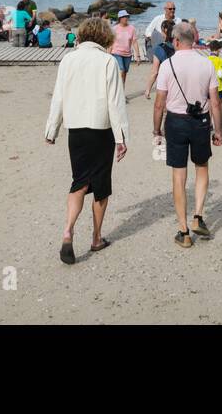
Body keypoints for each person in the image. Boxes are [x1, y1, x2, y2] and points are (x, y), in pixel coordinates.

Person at [45, 17, 128, 265]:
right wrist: (121, 137)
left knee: (79, 182)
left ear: (81, 35)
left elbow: (58, 97)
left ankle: (68, 230)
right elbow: (115, 102)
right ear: (105, 37)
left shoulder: (68, 59)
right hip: (101, 128)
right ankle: (96, 237)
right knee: (101, 186)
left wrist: (52, 129)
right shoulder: (108, 61)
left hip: (76, 129)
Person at [152, 22, 222, 249]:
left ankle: (183, 231)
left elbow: (159, 104)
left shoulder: (167, 65)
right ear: (193, 40)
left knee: (178, 176)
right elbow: (215, 101)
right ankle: (198, 215)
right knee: (202, 168)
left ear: (175, 41)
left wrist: (157, 129)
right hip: (200, 121)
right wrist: (218, 130)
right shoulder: (207, 63)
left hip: (175, 121)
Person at [142, 20, 176, 100]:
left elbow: (154, 72)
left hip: (165, 83)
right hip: (179, 82)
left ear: (163, 31)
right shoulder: (180, 46)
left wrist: (148, 90)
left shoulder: (160, 48)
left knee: (163, 109)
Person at [110, 10, 140, 81]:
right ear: (120, 18)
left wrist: (138, 56)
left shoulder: (132, 28)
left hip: (127, 54)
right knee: (121, 70)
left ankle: (122, 89)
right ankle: (118, 88)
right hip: (116, 53)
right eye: (124, 17)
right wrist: (108, 54)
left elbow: (134, 42)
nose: (126, 18)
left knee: (124, 73)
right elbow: (111, 42)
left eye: (127, 17)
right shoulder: (115, 29)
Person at [207, 40, 222, 129]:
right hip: (218, 86)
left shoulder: (207, 59)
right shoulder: (219, 59)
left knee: (209, 104)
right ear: (218, 49)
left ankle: (209, 124)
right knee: (220, 103)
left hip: (208, 87)